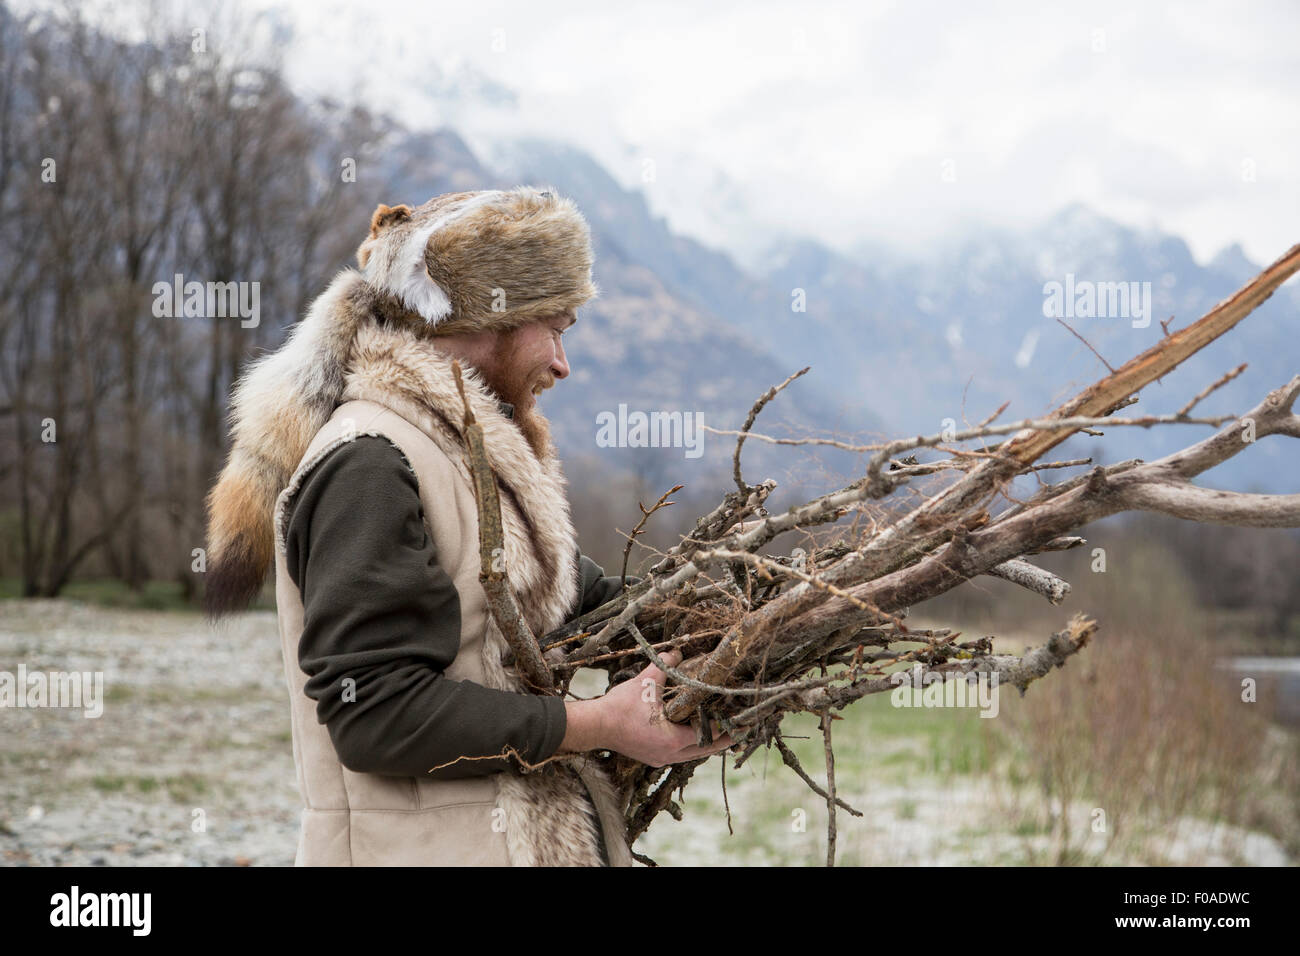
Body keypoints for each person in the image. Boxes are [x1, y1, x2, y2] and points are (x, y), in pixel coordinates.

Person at [203, 186, 732, 866]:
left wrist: (735, 623)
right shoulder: (368, 463)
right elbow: (376, 716)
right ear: (490, 313)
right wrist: (600, 724)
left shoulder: (471, 459)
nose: (564, 365)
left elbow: (586, 600)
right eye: (558, 327)